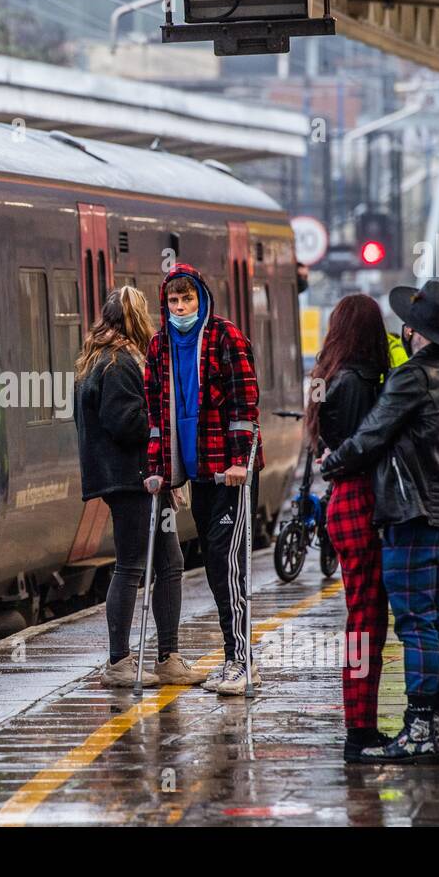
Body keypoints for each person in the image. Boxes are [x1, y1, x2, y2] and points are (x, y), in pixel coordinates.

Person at [321, 280, 439, 764]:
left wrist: (331, 463)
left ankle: (420, 727)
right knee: (437, 621)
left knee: (413, 624)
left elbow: (369, 436)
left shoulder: (412, 377)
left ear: (414, 330)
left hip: (411, 512)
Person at [74, 286, 206, 688]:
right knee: (132, 565)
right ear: (136, 320)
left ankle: (168, 656)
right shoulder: (119, 363)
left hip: (141, 480)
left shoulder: (101, 359)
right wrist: (161, 417)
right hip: (133, 482)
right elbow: (127, 423)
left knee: (169, 564)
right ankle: (120, 661)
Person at [143, 264, 262, 696]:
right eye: (174, 301)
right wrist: (158, 470)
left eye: (187, 299)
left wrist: (238, 461)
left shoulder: (225, 336)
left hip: (230, 473)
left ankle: (240, 660)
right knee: (215, 567)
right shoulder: (159, 347)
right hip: (194, 473)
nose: (180, 307)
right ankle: (238, 658)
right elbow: (157, 416)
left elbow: (244, 402)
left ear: (201, 298)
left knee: (228, 566)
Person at [306, 294, 392, 763]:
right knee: (366, 621)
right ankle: (359, 730)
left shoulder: (328, 377)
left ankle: (362, 725)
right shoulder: (358, 382)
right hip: (359, 498)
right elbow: (364, 445)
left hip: (343, 501)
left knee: (365, 617)